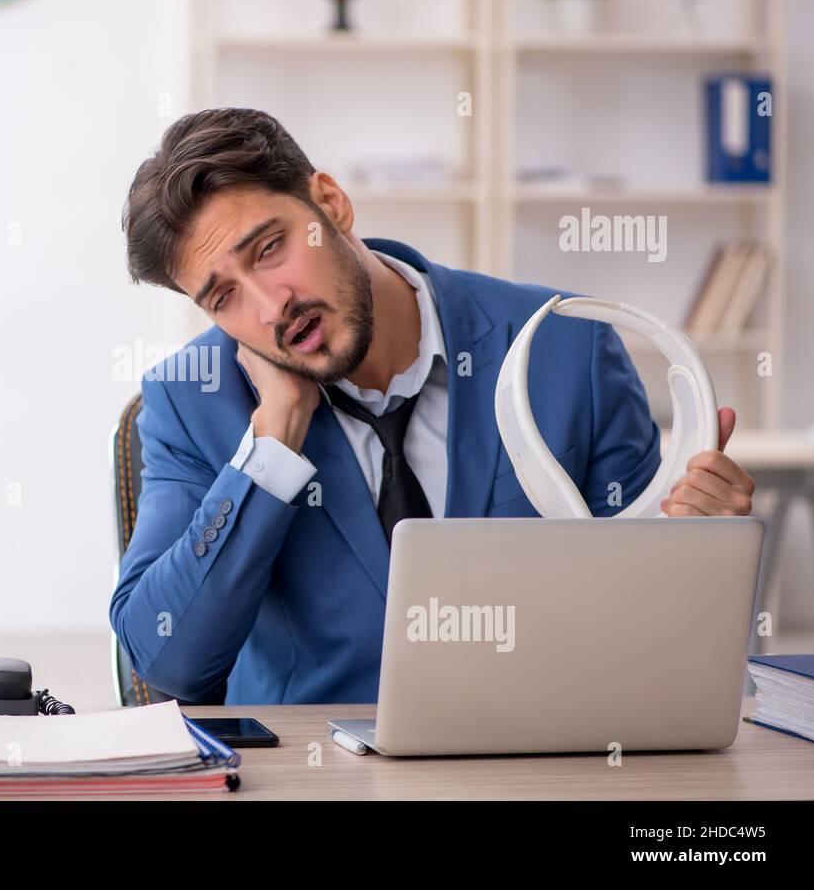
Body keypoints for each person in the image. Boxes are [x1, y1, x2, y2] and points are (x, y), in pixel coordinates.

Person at [110, 107, 756, 705]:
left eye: (270, 247)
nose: (271, 307)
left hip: (542, 761)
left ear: (330, 203)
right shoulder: (191, 402)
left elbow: (650, 627)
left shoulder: (568, 348)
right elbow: (169, 659)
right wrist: (272, 445)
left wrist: (700, 548)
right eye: (224, 297)